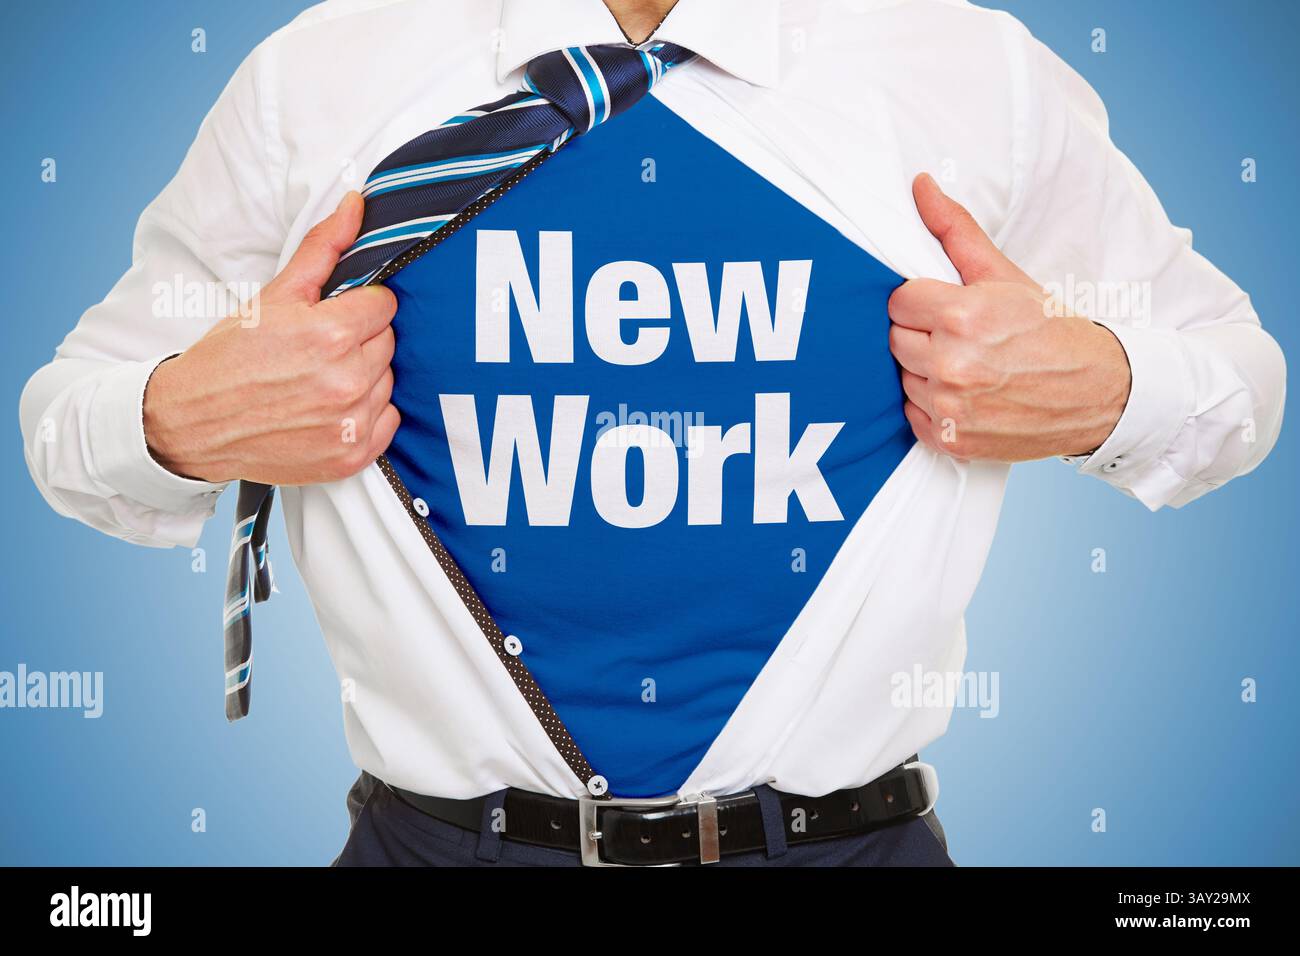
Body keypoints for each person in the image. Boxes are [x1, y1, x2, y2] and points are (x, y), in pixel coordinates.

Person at [18, 0, 1285, 867]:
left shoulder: (968, 67)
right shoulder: (320, 74)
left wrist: (1108, 387)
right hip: (435, 846)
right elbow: (69, 415)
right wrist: (178, 417)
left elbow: (1241, 379)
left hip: (851, 845)